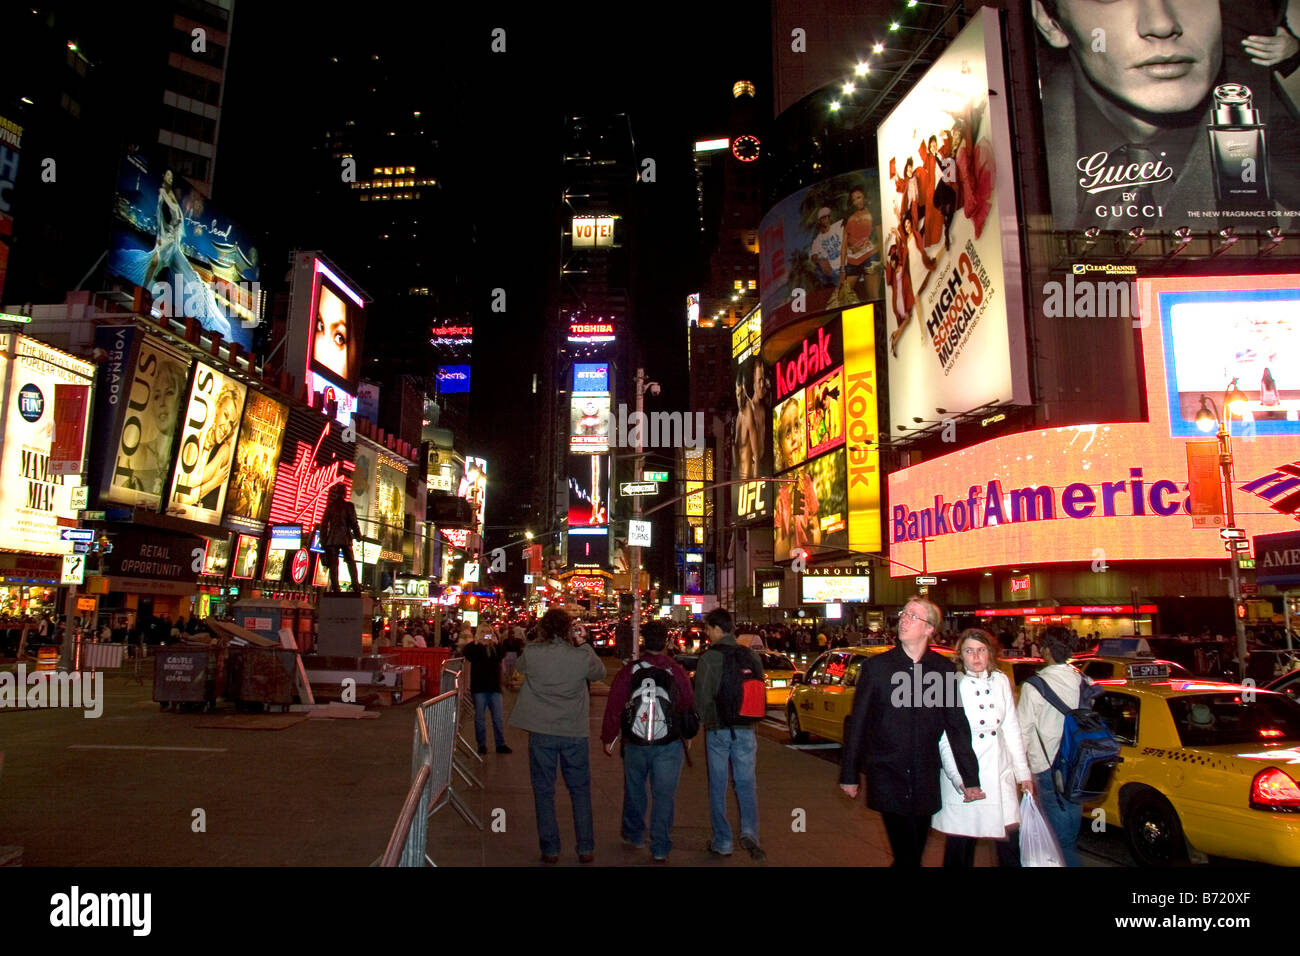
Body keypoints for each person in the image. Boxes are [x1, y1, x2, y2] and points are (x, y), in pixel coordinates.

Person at [840, 596, 985, 867]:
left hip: (925, 778)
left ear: (929, 628)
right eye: (903, 614)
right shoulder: (877, 668)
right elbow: (858, 723)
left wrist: (970, 777)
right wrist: (849, 774)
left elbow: (956, 726)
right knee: (907, 855)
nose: (904, 621)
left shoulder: (942, 670)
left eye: (913, 617)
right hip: (887, 774)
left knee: (913, 853)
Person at [508, 609, 606, 864]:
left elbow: (520, 668)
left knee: (543, 791)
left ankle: (550, 849)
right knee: (580, 791)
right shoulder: (580, 655)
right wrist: (583, 641)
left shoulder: (532, 652)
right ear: (567, 630)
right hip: (574, 731)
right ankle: (585, 847)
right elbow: (599, 674)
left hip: (542, 731)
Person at [932, 629, 1033, 867]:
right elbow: (945, 739)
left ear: (990, 653)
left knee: (1010, 845)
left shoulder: (1000, 681)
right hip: (966, 771)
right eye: (969, 651)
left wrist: (1023, 774)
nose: (976, 657)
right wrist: (961, 780)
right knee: (961, 847)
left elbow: (1011, 728)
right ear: (960, 656)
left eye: (981, 650)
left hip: (1000, 774)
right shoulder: (951, 685)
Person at [601, 621, 695, 863]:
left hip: (635, 741)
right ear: (665, 642)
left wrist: (609, 736)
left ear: (643, 641)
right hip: (669, 742)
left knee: (635, 789)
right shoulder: (675, 670)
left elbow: (614, 706)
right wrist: (688, 734)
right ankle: (661, 845)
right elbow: (686, 702)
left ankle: (634, 834)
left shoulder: (630, 671)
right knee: (664, 794)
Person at [694, 607, 766, 861]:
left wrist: (701, 723)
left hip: (718, 729)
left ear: (716, 629)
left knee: (718, 784)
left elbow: (701, 699)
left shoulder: (709, 658)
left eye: (707, 629)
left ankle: (723, 840)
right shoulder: (750, 656)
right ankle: (749, 832)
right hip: (746, 728)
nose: (706, 634)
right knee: (746, 783)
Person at [1017, 626, 1091, 867]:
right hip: (1079, 767)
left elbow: (1023, 731)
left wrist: (1020, 772)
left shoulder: (1034, 686)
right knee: (1069, 836)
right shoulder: (1083, 680)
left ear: (1046, 651)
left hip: (1047, 768)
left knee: (1059, 843)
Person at [464, 624, 511, 755]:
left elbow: (502, 655)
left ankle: (500, 744)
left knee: (498, 717)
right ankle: (481, 744)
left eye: (489, 632)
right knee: (480, 718)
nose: (486, 634)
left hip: (494, 687)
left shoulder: (495, 648)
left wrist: (496, 643)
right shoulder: (473, 648)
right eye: (483, 632)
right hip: (479, 687)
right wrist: (478, 643)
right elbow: (468, 658)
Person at [318, 483, 361, 593]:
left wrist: (323, 540)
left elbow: (323, 525)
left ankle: (335, 587)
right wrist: (358, 536)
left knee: (333, 564)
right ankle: (356, 585)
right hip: (345, 538)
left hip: (332, 539)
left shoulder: (330, 506)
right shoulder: (349, 506)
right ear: (345, 493)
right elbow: (353, 523)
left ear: (336, 493)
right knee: (350, 562)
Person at [808, 206, 844, 288]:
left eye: (828, 216)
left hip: (846, 265)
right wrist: (820, 260)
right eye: (824, 217)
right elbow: (813, 256)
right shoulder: (817, 240)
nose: (827, 219)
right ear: (819, 221)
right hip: (834, 271)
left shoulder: (838, 226)